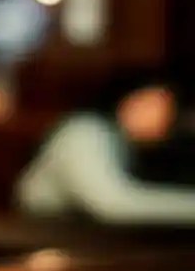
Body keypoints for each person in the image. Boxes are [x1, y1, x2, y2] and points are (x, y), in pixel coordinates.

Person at [15, 69, 195, 225]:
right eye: (148, 103)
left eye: (168, 110)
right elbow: (113, 206)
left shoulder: (131, 149)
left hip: (82, 246)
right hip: (40, 242)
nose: (157, 116)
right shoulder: (83, 132)